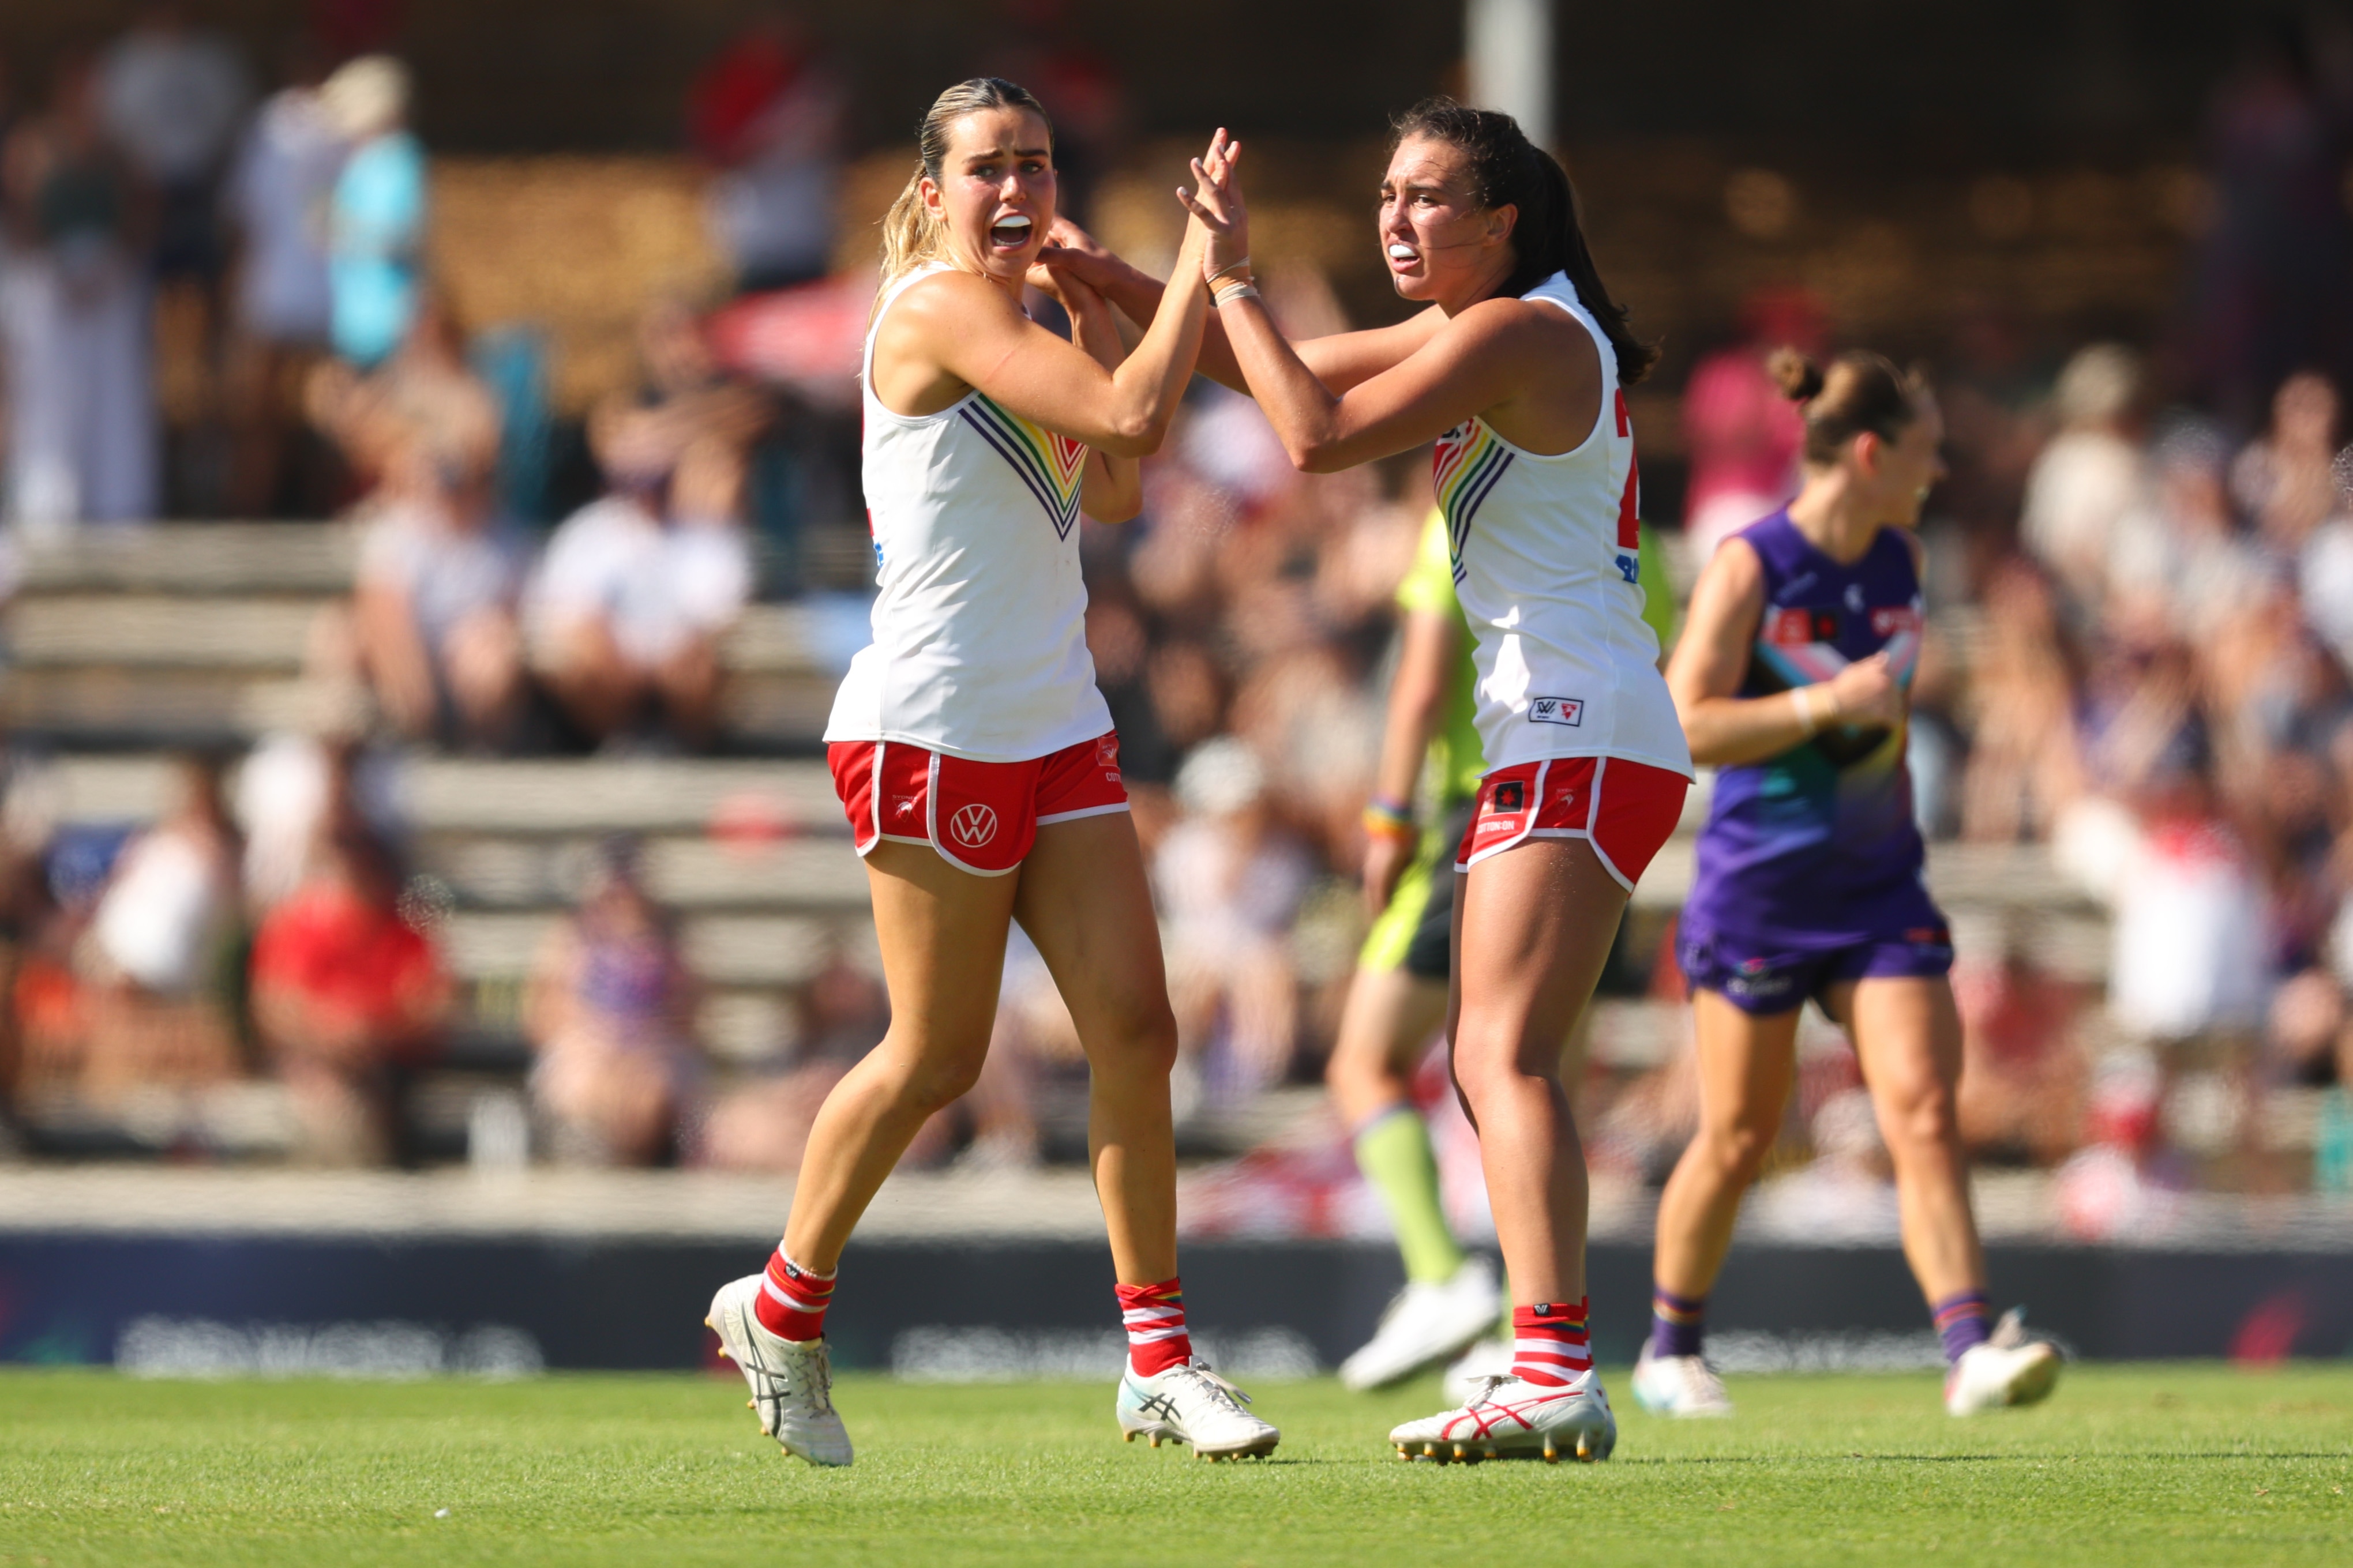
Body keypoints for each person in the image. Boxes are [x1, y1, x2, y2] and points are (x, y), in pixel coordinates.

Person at [1068, 98, 1697, 1461]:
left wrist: (1226, 273)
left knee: (1496, 1054)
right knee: (1497, 1059)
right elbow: (1275, 363)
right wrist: (1119, 279)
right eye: (1386, 198)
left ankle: (1551, 1367)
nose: (1396, 222)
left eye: (1426, 198)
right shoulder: (1483, 334)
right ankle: (1550, 1362)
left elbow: (1309, 433)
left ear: (1500, 221)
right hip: (1578, 731)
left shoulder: (1521, 332)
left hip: (1576, 727)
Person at [701, 80, 1278, 1469]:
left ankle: (1159, 1361)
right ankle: (780, 1303)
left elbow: (1120, 480)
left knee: (1136, 1032)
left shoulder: (1015, 323)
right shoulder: (938, 307)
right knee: (942, 1053)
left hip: (1052, 717)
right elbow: (1141, 411)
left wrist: (1095, 310)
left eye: (1035, 163)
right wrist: (1203, 257)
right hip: (933, 726)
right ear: (931, 193)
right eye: (987, 169)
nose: (1016, 190)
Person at [1638, 348, 2062, 1421]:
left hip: (1879, 887)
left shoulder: (1903, 558)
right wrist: (1827, 710)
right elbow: (1682, 724)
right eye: (1923, 450)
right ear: (1870, 453)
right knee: (1739, 1134)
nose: (1936, 469)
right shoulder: (1751, 564)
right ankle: (1669, 1345)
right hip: (1762, 891)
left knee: (1922, 1107)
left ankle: (1970, 1344)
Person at [1324, 508, 1502, 1390]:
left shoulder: (1469, 505)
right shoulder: (1633, 526)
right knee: (1534, 1075)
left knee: (1365, 1061)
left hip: (1483, 806)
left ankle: (1442, 1277)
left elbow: (1423, 684)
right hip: (1590, 800)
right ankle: (1537, 1334)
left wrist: (1390, 816)